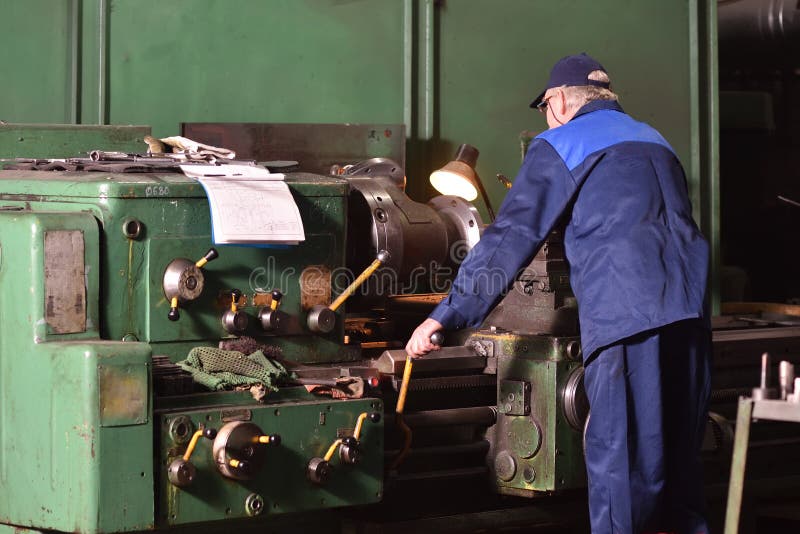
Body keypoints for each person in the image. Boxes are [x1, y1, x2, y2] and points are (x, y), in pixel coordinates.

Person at [406, 53, 711, 534]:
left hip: (626, 319)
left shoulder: (562, 142)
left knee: (623, 476)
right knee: (679, 478)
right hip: (690, 317)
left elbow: (509, 238)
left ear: (560, 101)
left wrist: (446, 314)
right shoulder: (656, 141)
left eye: (545, 110)